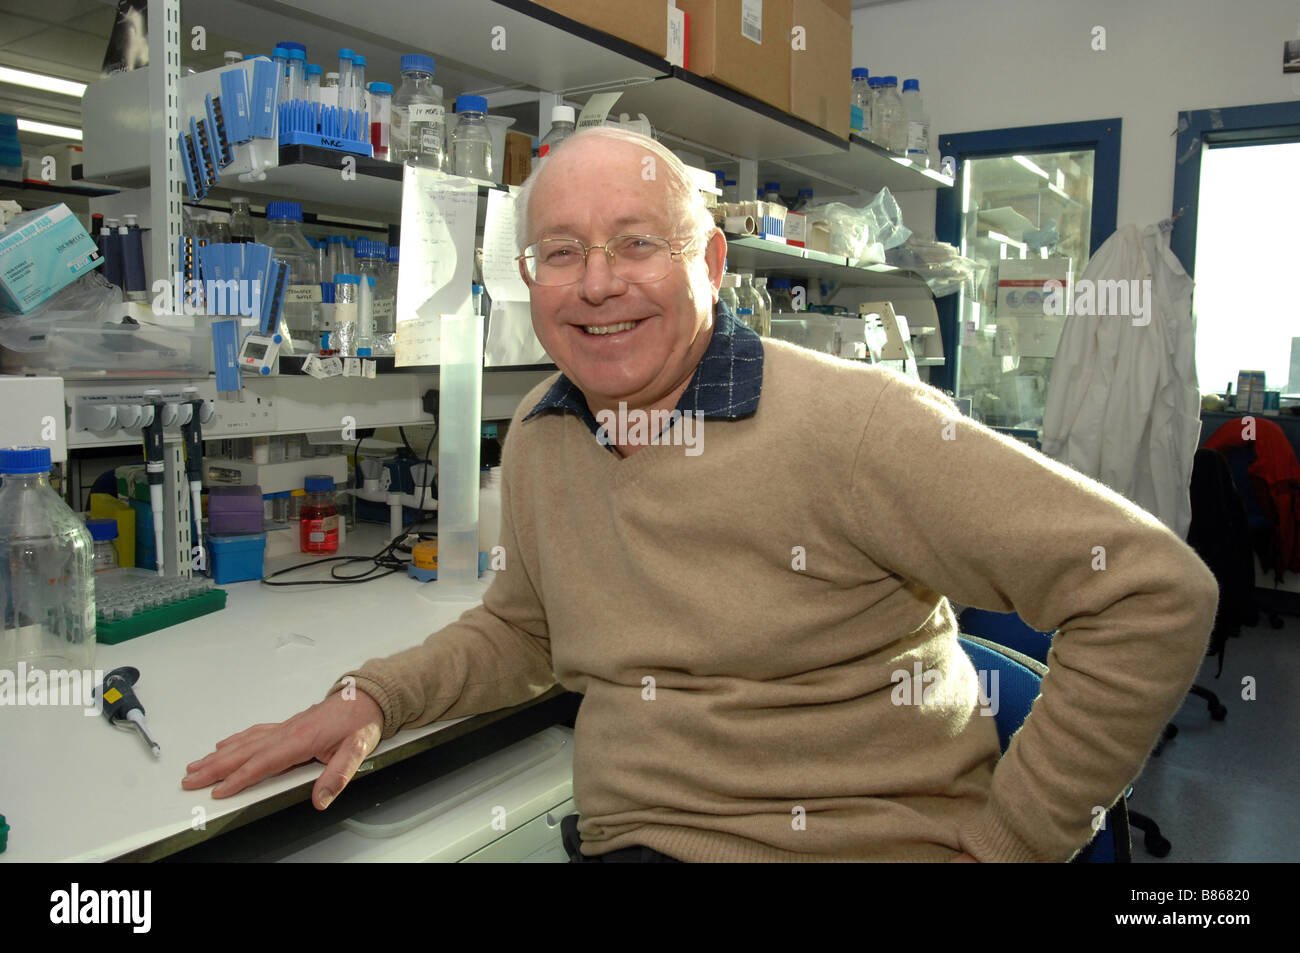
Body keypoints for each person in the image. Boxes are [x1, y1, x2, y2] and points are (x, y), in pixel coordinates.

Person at [183, 127, 1218, 862]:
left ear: (710, 264)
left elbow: (1150, 592)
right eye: (560, 253)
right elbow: (527, 630)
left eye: (637, 242)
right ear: (527, 279)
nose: (596, 283)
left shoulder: (852, 425)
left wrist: (1007, 843)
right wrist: (370, 698)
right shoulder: (546, 429)